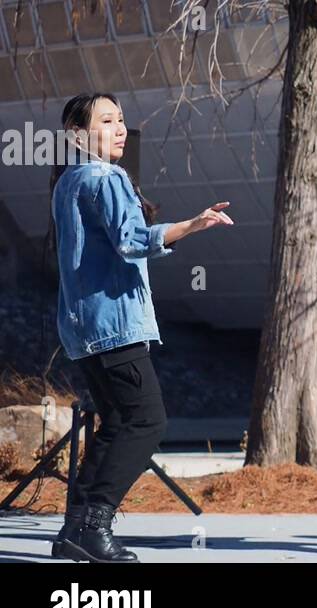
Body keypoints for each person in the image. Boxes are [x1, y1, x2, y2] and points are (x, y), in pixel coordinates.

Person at [48, 93, 233, 562]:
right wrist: (192, 225)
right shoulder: (105, 177)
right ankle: (93, 524)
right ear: (76, 134)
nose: (119, 127)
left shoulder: (68, 180)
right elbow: (132, 241)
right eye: (106, 120)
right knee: (147, 423)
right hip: (114, 325)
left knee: (119, 424)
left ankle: (76, 529)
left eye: (122, 118)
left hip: (84, 327)